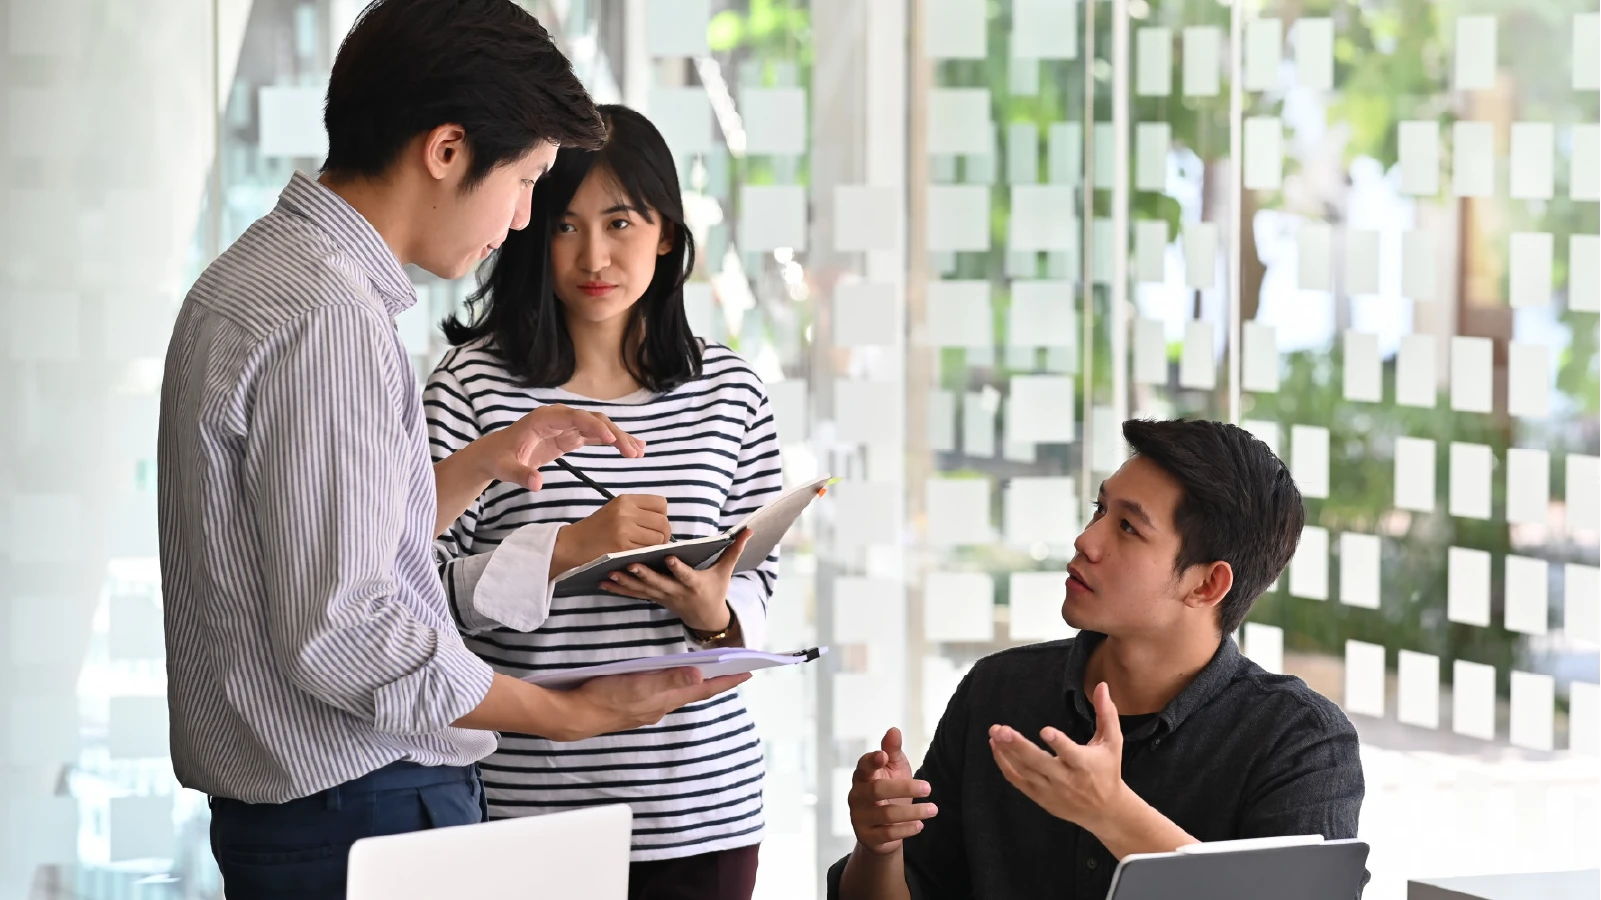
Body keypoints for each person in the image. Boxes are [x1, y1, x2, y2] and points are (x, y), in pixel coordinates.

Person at [157, 4, 748, 897]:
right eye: (527, 182)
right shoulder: (329, 319)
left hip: (317, 813)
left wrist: (483, 461)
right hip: (360, 804)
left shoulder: (255, 280)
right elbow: (351, 628)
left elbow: (329, 551)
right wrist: (565, 714)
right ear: (446, 150)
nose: (520, 220)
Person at [424, 104, 782, 900]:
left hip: (701, 810)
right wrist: (566, 549)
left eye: (620, 223)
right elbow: (417, 593)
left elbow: (759, 573)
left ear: (666, 234)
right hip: (527, 807)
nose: (594, 256)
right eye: (565, 226)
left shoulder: (729, 391)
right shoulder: (470, 387)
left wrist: (714, 612)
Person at [828, 419, 1366, 899]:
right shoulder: (999, 690)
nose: (1086, 540)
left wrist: (1110, 811)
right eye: (1100, 510)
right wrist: (879, 848)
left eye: (1128, 527)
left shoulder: (1300, 742)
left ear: (1207, 585)